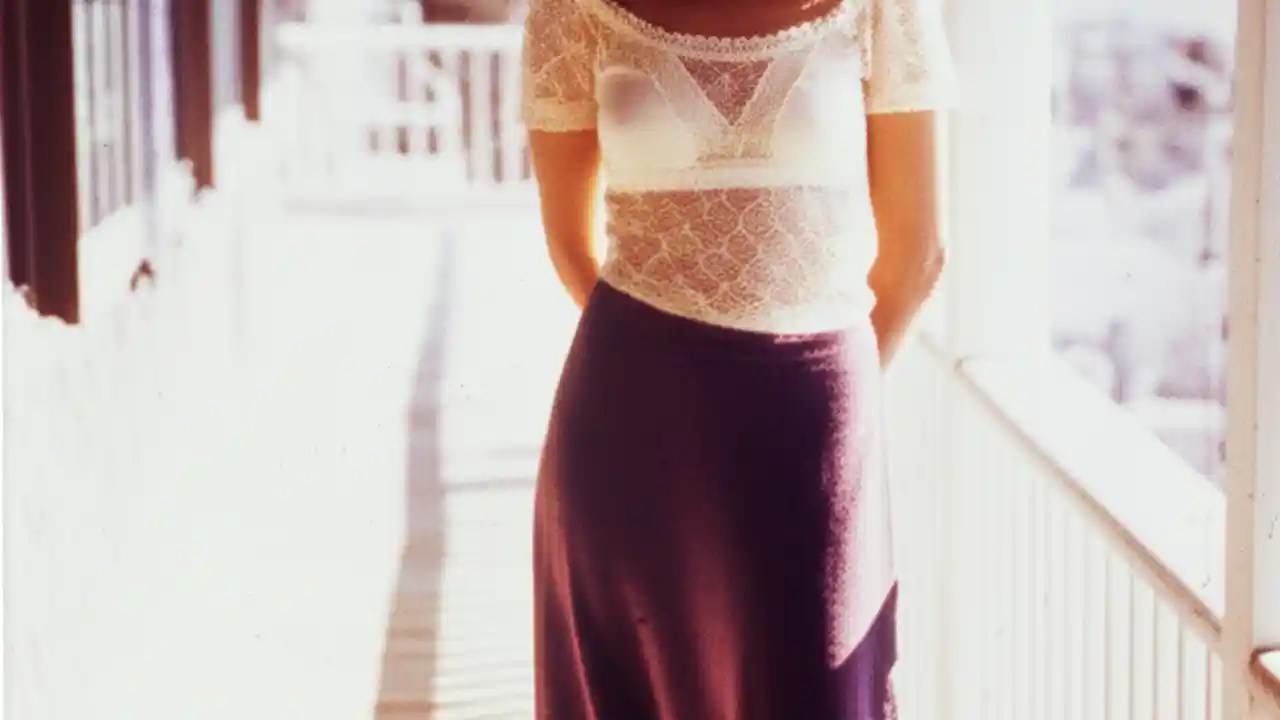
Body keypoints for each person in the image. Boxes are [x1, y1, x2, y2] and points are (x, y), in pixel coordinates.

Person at [521, 0, 956, 716]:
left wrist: (821, 395)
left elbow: (917, 254)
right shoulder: (571, 9)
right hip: (632, 418)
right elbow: (572, 248)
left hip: (814, 423)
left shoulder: (884, 8)